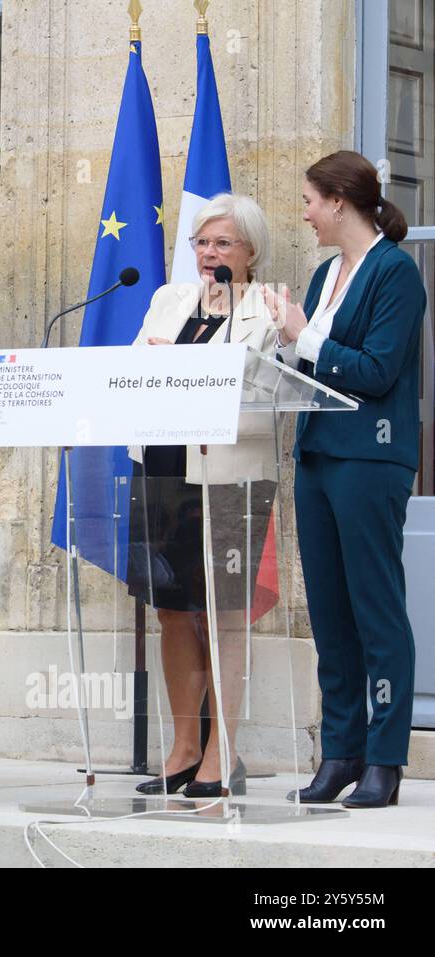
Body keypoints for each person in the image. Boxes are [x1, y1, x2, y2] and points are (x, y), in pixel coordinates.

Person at [265, 151, 426, 809]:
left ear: (337, 200)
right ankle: (341, 753)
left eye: (308, 200)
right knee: (331, 615)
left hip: (370, 458)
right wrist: (280, 344)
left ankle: (386, 758)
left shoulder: (396, 273)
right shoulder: (326, 272)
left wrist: (305, 340)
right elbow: (312, 366)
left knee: (376, 610)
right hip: (317, 455)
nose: (304, 214)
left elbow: (378, 371)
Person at [125, 193, 281, 799]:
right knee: (171, 609)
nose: (209, 254)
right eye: (201, 242)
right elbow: (133, 368)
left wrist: (184, 368)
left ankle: (224, 752)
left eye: (223, 244)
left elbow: (254, 386)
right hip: (160, 466)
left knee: (224, 612)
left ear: (250, 253)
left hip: (229, 474)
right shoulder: (168, 300)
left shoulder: (265, 310)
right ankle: (184, 746)